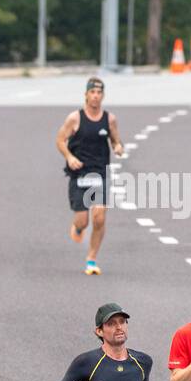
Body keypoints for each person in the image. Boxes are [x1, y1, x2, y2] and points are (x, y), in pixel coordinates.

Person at [55, 76, 124, 275]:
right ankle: (77, 228)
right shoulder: (74, 118)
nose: (95, 96)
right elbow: (60, 140)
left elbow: (116, 141)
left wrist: (118, 147)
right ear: (86, 95)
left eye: (99, 93)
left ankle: (91, 259)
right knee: (83, 221)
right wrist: (69, 157)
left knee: (100, 218)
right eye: (92, 92)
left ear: (103, 96)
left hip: (99, 172)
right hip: (79, 173)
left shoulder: (109, 119)